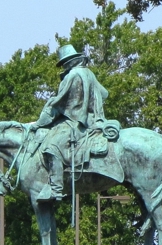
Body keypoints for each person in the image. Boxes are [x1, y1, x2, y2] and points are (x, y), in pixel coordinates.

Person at [33, 43, 111, 201]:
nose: (64, 66)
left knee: (51, 146)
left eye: (64, 63)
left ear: (69, 62)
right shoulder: (88, 73)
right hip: (94, 119)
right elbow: (104, 94)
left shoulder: (72, 76)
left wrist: (39, 123)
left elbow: (58, 105)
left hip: (76, 121)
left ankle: (56, 189)